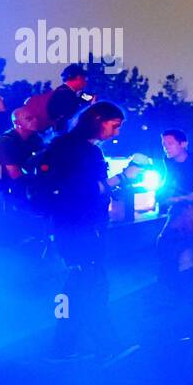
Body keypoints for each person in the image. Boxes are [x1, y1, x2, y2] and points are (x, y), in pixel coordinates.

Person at [36, 101, 130, 359]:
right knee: (93, 285)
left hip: (84, 227)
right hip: (75, 228)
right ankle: (108, 346)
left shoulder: (86, 149)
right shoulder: (69, 148)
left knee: (79, 286)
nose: (116, 133)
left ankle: (62, 348)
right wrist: (121, 179)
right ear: (98, 119)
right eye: (115, 126)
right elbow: (74, 189)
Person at [156, 129, 193, 331]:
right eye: (164, 144)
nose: (166, 148)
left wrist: (175, 199)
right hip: (178, 208)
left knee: (192, 247)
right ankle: (176, 293)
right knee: (166, 245)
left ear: (183, 144)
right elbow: (167, 183)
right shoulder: (168, 162)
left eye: (170, 144)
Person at [45, 64, 93, 135]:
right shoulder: (63, 93)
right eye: (84, 79)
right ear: (78, 78)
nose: (85, 82)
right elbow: (66, 116)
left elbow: (90, 99)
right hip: (61, 135)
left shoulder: (75, 94)